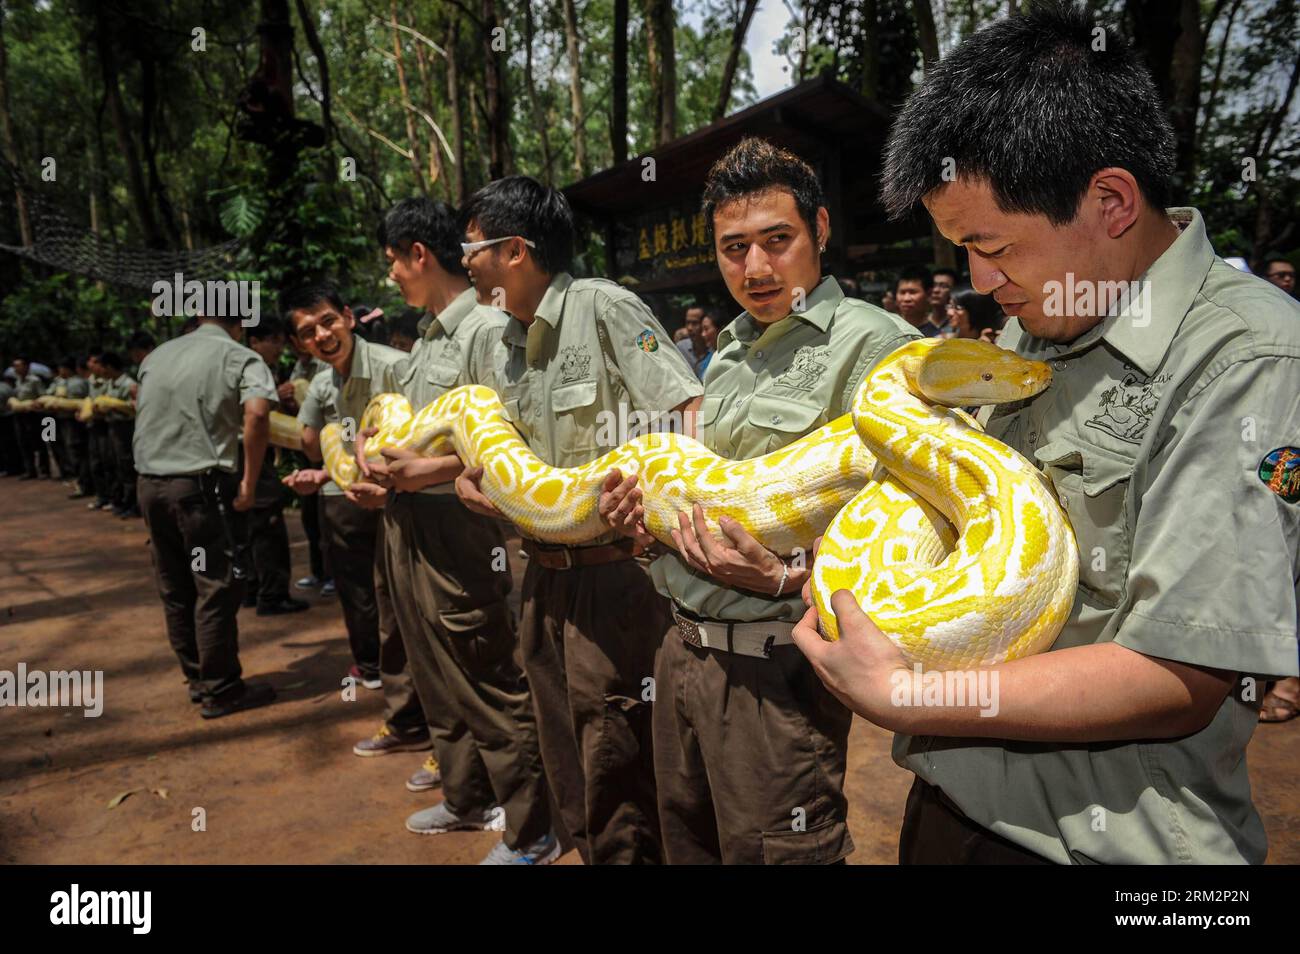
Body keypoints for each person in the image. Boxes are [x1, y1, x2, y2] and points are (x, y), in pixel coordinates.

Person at [792, 1, 1300, 865]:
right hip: (950, 806)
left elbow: (1180, 675)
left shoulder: (1253, 358)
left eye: (991, 246)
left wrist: (912, 693)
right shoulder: (1040, 324)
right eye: (960, 250)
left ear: (1109, 201)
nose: (981, 283)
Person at [599, 137, 918, 864]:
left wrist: (784, 577)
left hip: (777, 670)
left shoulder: (878, 348)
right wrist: (645, 526)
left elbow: (916, 525)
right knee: (690, 843)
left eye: (778, 240)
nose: (755, 268)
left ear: (822, 231)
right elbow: (707, 486)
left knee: (778, 853)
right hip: (680, 650)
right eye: (733, 247)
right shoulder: (731, 349)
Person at [454, 175, 704, 864]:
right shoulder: (492, 341)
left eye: (471, 246)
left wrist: (659, 504)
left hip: (620, 581)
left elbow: (687, 415)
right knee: (565, 748)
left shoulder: (605, 309)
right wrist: (478, 488)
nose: (464, 261)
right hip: (540, 578)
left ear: (515, 250)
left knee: (619, 751)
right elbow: (484, 454)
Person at [360, 195, 557, 864]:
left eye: (393, 262)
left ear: (420, 255)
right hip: (408, 521)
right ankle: (468, 795)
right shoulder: (427, 337)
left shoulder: (485, 326)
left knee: (484, 668)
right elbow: (403, 433)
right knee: (433, 664)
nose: (390, 276)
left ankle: (533, 828)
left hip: (458, 526)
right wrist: (378, 469)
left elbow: (515, 435)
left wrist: (428, 469)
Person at [283, 284, 430, 751]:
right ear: (300, 345)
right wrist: (324, 473)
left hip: (414, 504)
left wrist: (385, 485)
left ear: (347, 317)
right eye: (309, 332)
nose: (322, 335)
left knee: (420, 615)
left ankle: (441, 735)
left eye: (328, 321)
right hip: (362, 499)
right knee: (385, 612)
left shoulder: (396, 367)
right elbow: (345, 448)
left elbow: (429, 442)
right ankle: (407, 722)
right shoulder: (328, 382)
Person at [133, 310, 278, 718]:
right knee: (216, 584)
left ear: (199, 317)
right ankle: (222, 689)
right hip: (201, 488)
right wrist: (249, 482)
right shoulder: (239, 357)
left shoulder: (157, 356)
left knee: (175, 583)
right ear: (241, 325)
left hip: (150, 486)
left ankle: (198, 678)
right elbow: (258, 413)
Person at [242, 319, 310, 616]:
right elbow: (256, 414)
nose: (280, 348)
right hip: (254, 454)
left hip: (235, 456)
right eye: (274, 341)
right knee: (267, 524)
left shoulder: (232, 364)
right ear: (255, 341)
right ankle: (272, 595)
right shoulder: (252, 366)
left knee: (246, 526)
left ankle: (251, 588)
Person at [283, 339, 332, 596]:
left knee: (329, 513)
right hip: (308, 447)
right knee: (311, 513)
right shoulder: (299, 368)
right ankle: (319, 572)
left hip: (327, 447)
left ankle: (332, 573)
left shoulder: (325, 364)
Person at [97, 352, 140, 517]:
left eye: (101, 366)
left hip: (125, 428)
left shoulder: (128, 384)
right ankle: (121, 500)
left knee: (127, 464)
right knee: (115, 465)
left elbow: (133, 407)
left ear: (108, 367)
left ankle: (133, 504)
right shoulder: (110, 384)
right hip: (112, 427)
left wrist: (114, 406)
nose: (99, 370)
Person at [11, 357, 50, 480]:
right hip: (20, 414)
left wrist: (34, 404)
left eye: (19, 365)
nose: (16, 368)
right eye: (15, 366)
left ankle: (44, 470)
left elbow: (42, 396)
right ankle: (30, 470)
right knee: (23, 442)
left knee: (38, 442)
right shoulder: (17, 381)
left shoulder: (34, 380)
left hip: (33, 415)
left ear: (27, 367)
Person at [894, 267, 942, 335]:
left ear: (929, 294)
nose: (906, 299)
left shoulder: (936, 338)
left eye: (913, 292)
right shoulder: (887, 330)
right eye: (902, 292)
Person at [676, 303, 710, 376]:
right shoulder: (681, 348)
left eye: (695, 323)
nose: (689, 328)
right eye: (687, 323)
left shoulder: (714, 349)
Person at [929, 266, 958, 333]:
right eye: (933, 285)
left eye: (944, 286)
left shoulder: (958, 323)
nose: (936, 290)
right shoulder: (920, 322)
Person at [696, 312, 720, 377]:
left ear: (720, 329)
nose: (703, 334)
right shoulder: (703, 362)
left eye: (706, 329)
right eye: (702, 330)